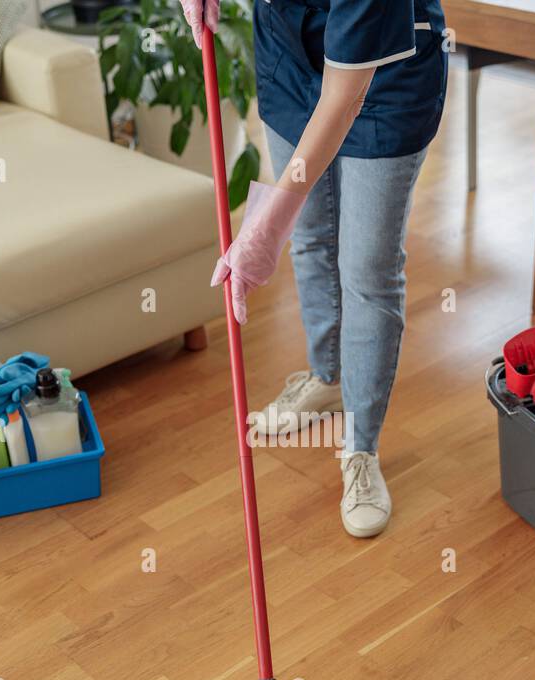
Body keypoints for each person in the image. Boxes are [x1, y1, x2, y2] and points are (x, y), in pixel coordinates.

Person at [181, 0, 447, 538]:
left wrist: (263, 231)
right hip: (289, 56)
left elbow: (343, 98)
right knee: (310, 238)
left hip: (385, 78)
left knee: (367, 270)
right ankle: (327, 380)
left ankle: (361, 448)